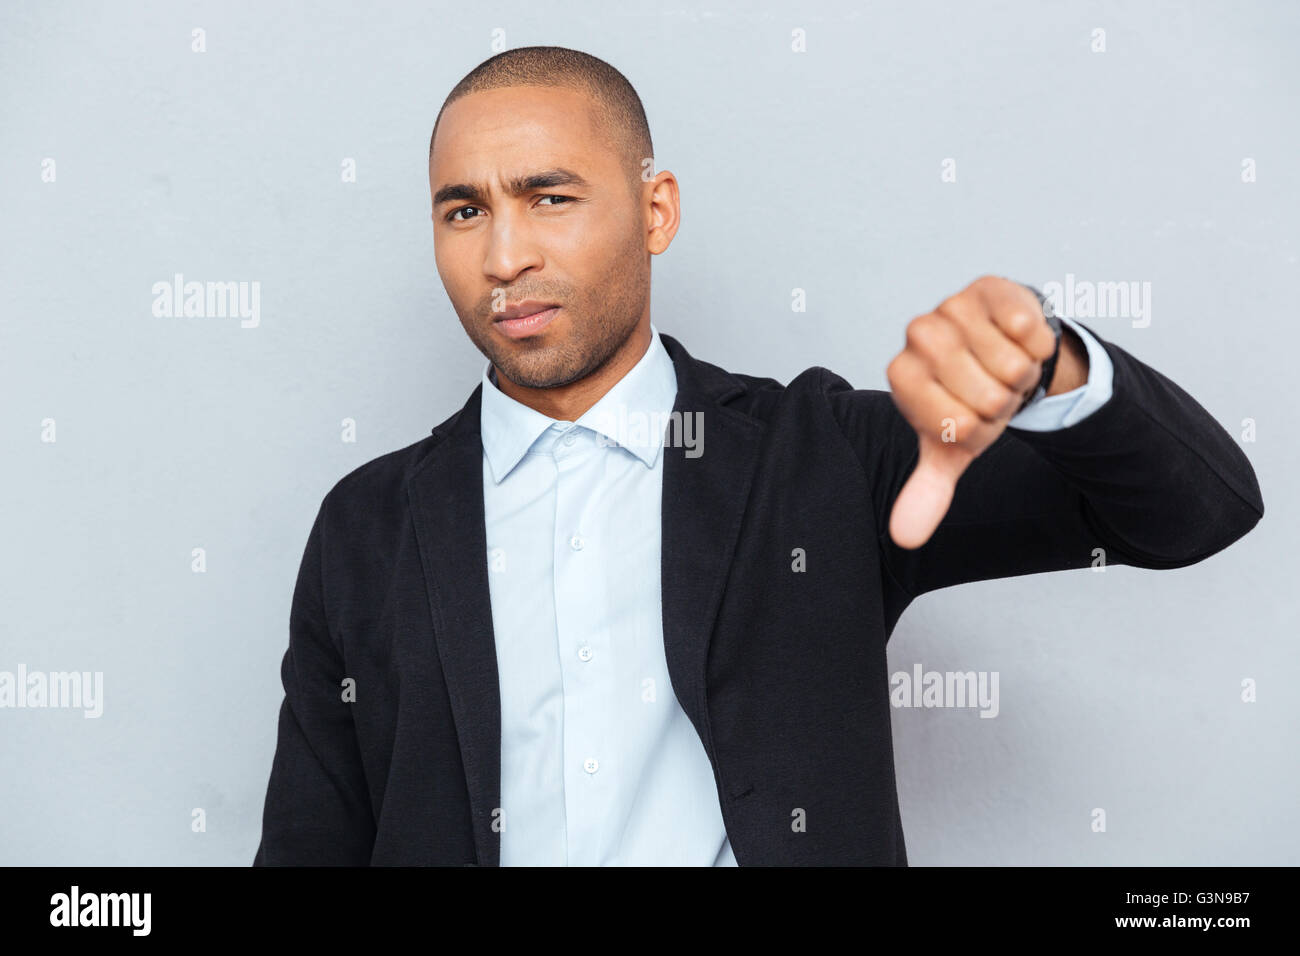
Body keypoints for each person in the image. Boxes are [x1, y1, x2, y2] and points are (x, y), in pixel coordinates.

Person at [253, 46, 1264, 866]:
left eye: (550, 196)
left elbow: (1195, 511)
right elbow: (310, 844)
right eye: (463, 208)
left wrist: (1051, 357)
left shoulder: (823, 459)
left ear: (656, 213)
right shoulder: (369, 524)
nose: (503, 256)